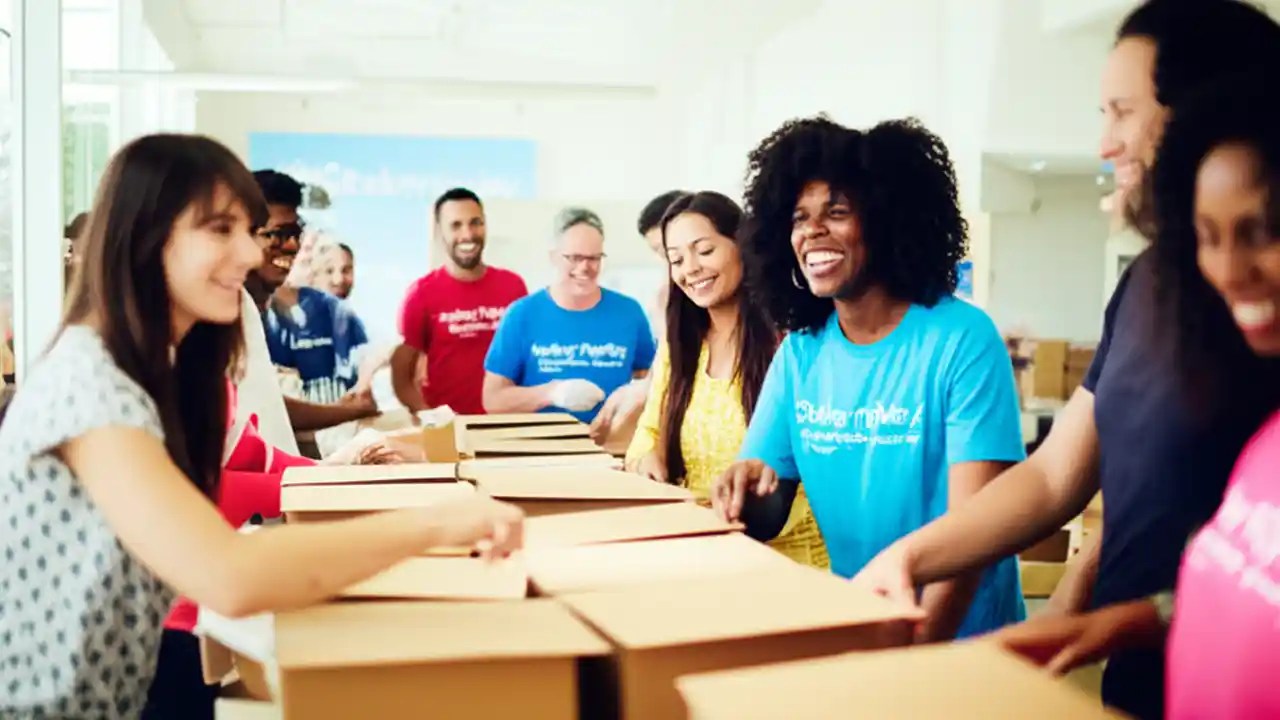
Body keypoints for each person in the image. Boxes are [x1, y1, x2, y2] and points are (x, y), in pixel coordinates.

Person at [850, 2, 1280, 716]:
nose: (1105, 141)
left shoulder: (1252, 307)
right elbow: (1061, 478)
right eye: (1213, 237)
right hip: (1152, 674)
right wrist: (912, 558)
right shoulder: (1148, 285)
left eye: (1121, 110)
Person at [0, 134, 523, 719]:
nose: (251, 254)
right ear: (147, 237)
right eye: (220, 229)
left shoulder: (150, 372)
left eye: (249, 230)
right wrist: (435, 524)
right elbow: (228, 574)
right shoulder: (90, 386)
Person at [993, 78, 1280, 719]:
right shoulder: (1265, 442)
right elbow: (1249, 579)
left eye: (1263, 231)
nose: (1231, 270)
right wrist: (1124, 621)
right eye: (1209, 235)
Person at [710, 116, 1026, 642]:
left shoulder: (962, 338)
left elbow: (976, 533)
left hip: (966, 642)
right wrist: (743, 492)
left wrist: (920, 654)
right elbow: (769, 506)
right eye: (799, 217)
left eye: (836, 213)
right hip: (863, 629)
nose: (812, 231)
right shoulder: (801, 353)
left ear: (886, 221)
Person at [625, 191, 828, 568]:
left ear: (741, 245)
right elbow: (646, 435)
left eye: (704, 251)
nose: (691, 269)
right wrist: (645, 461)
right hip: (701, 552)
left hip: (789, 559)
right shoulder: (680, 345)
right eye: (676, 259)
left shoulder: (790, 344)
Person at [483, 207, 656, 435]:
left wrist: (634, 398)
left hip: (611, 450)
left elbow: (653, 382)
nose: (585, 267)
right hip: (539, 452)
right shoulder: (522, 314)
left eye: (594, 258)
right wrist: (552, 393)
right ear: (553, 257)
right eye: (574, 257)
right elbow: (493, 400)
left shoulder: (629, 312)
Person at [246, 170, 378, 436]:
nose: (293, 246)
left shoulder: (335, 312)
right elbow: (265, 410)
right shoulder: (226, 313)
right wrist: (349, 411)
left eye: (297, 232)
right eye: (279, 234)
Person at [392, 188, 528, 415]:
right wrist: (428, 415)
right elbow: (401, 373)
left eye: (475, 223)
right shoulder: (421, 294)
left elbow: (527, 358)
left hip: (507, 428)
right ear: (440, 232)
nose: (467, 234)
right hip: (450, 436)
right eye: (456, 225)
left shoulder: (513, 286)